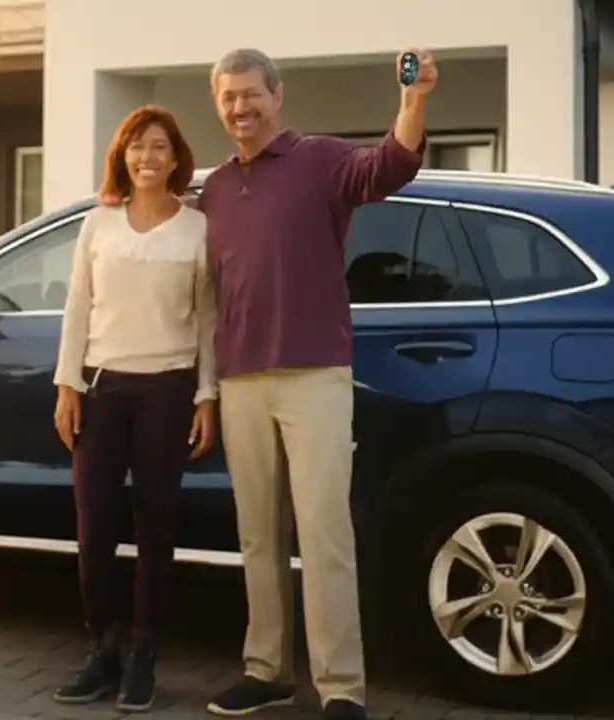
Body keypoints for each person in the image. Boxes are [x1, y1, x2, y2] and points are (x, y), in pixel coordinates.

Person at [195, 48, 436, 719]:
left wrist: (414, 101)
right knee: (257, 536)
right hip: (242, 378)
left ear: (277, 95)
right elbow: (205, 293)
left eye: (251, 94)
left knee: (324, 532)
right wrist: (207, 389)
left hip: (314, 375)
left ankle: (341, 688)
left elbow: (390, 164)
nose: (240, 107)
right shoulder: (213, 189)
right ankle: (266, 670)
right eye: (228, 98)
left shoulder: (321, 159)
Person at [51, 104, 218, 713]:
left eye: (158, 147)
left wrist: (207, 395)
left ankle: (144, 655)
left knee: (155, 527)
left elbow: (208, 319)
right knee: (94, 529)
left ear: (176, 160)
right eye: (136, 147)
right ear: (122, 156)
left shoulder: (196, 229)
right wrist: (67, 386)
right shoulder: (99, 224)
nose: (147, 157)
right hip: (100, 390)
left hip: (167, 391)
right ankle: (102, 651)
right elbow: (77, 308)